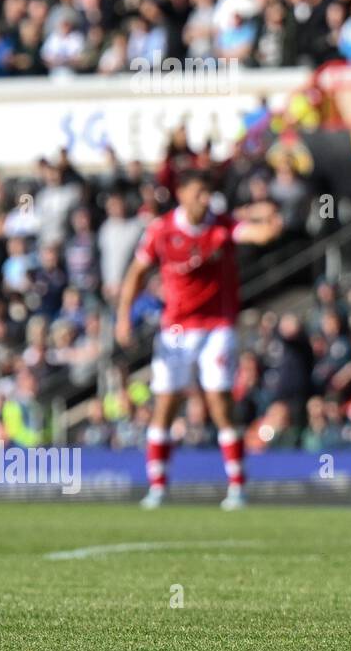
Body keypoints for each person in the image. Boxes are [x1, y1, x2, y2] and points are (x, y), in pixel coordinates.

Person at [114, 169, 282, 510]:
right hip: (176, 328)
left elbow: (262, 235)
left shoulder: (222, 225)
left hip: (216, 325)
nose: (204, 200)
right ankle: (158, 486)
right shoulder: (161, 231)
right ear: (182, 195)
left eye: (208, 193)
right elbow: (136, 273)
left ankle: (237, 485)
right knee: (166, 403)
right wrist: (123, 317)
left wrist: (270, 215)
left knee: (219, 400)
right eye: (198, 194)